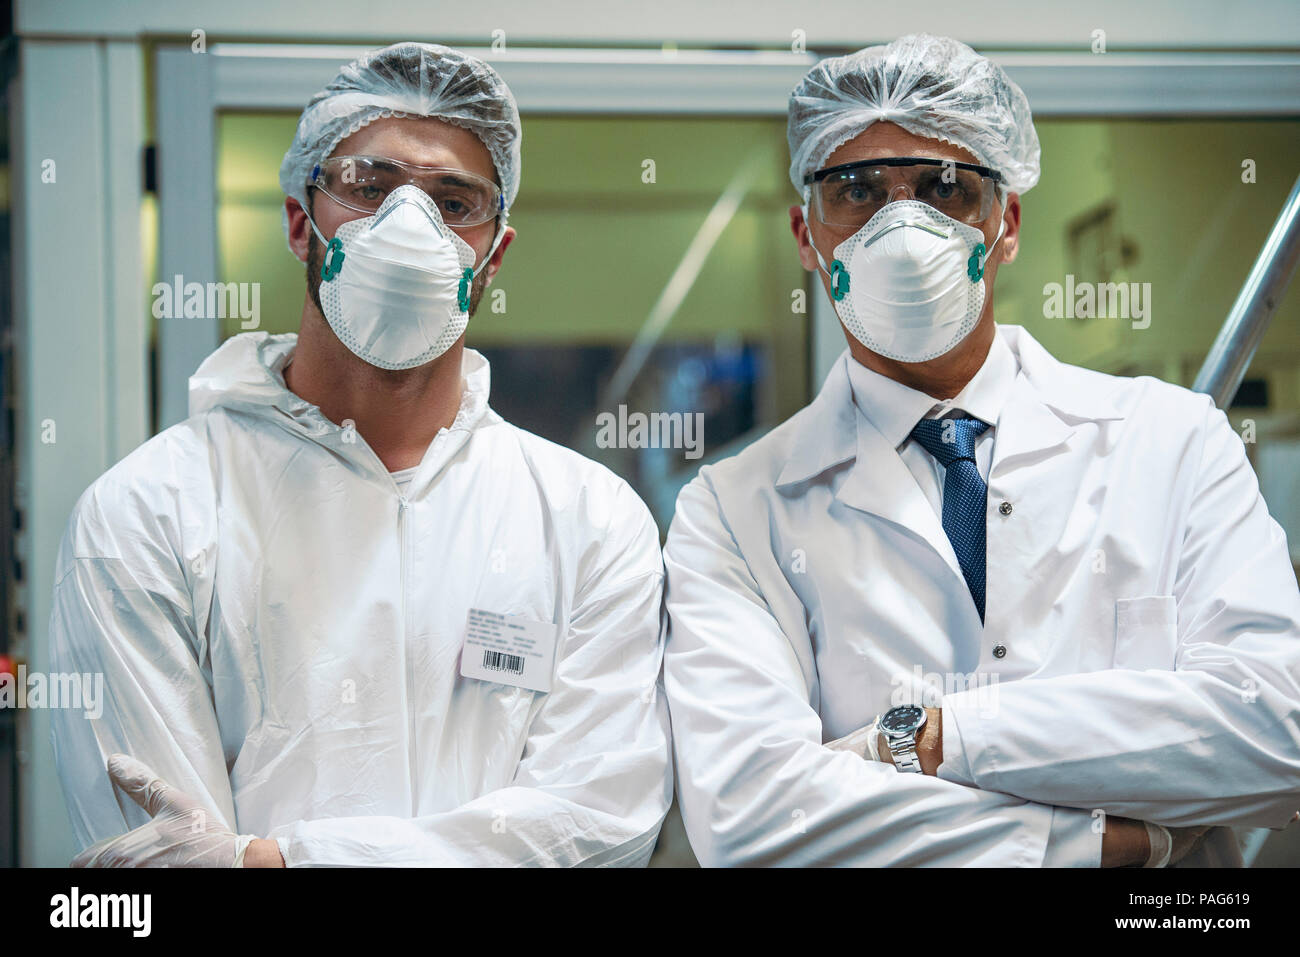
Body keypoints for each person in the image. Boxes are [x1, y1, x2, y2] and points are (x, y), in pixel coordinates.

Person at [661, 34, 1300, 867]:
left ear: (1007, 224)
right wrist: (1085, 840)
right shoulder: (731, 508)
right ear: (806, 237)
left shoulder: (1174, 440)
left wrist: (930, 737)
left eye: (945, 187)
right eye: (856, 189)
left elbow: (1275, 734)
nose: (902, 225)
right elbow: (751, 819)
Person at [49, 42, 671, 867]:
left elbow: (600, 824)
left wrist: (269, 860)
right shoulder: (149, 513)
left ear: (493, 254)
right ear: (302, 222)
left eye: (454, 202)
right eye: (370, 187)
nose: (407, 226)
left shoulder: (591, 520)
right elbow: (154, 860)